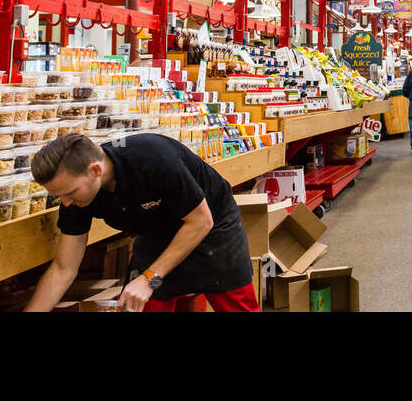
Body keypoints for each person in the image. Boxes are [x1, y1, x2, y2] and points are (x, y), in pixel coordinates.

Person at [23, 133, 257, 312]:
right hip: (155, 235)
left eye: (69, 193)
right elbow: (64, 269)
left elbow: (200, 222)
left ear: (95, 170)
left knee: (236, 305)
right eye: (58, 195)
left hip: (212, 227)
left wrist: (150, 279)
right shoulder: (74, 195)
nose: (64, 203)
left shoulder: (153, 159)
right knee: (139, 304)